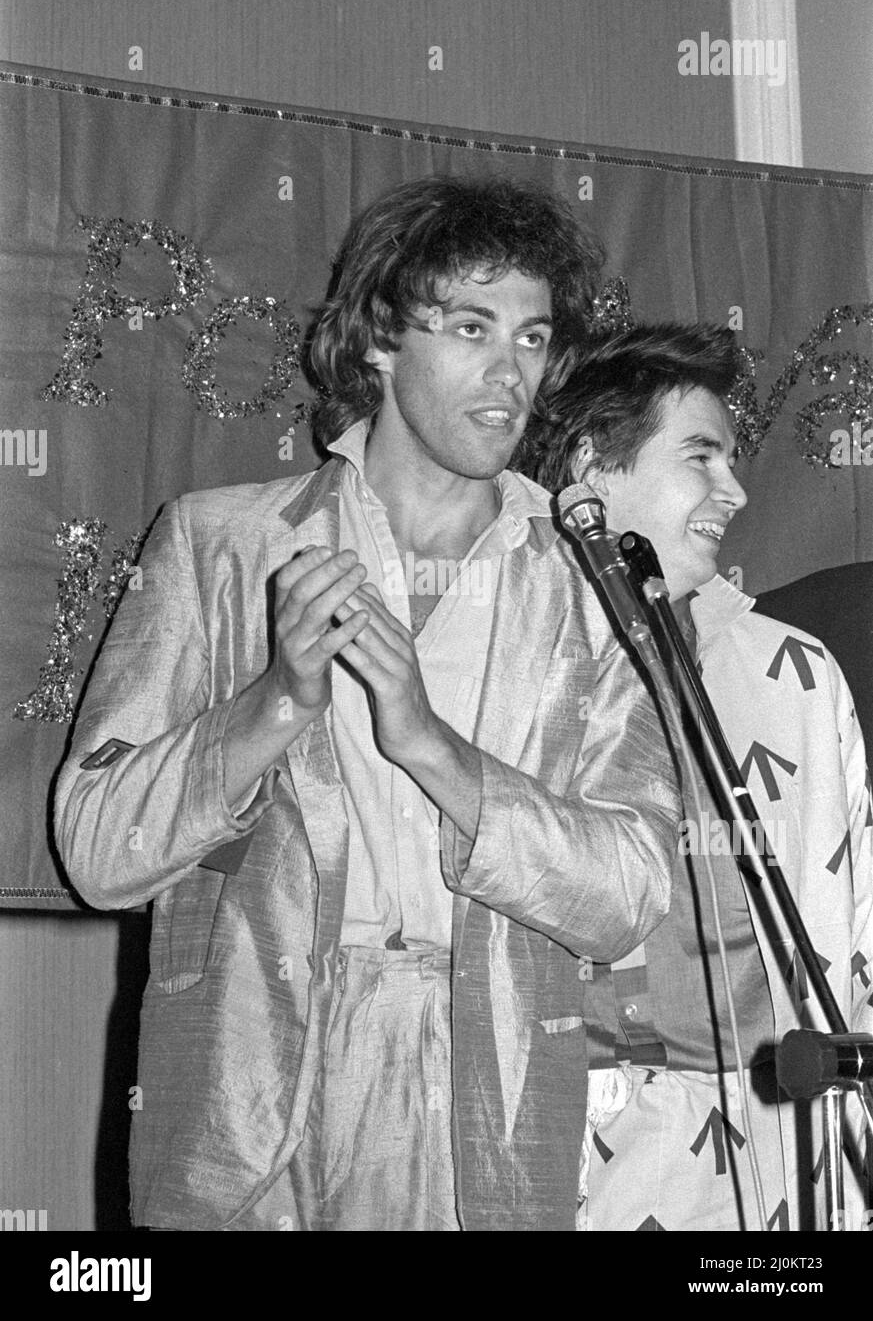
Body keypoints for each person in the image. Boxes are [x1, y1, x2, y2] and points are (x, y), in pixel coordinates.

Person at [54, 175, 681, 1233]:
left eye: (532, 338)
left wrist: (434, 748)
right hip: (248, 1106)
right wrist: (275, 703)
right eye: (472, 327)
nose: (509, 371)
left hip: (485, 1106)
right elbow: (98, 850)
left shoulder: (595, 586)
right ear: (381, 340)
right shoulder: (223, 545)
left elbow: (630, 895)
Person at [516, 321, 873, 1231]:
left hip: (787, 1137)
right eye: (701, 457)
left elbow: (856, 921)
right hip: (581, 1145)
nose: (735, 490)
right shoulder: (501, 662)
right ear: (593, 470)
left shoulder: (788, 669)